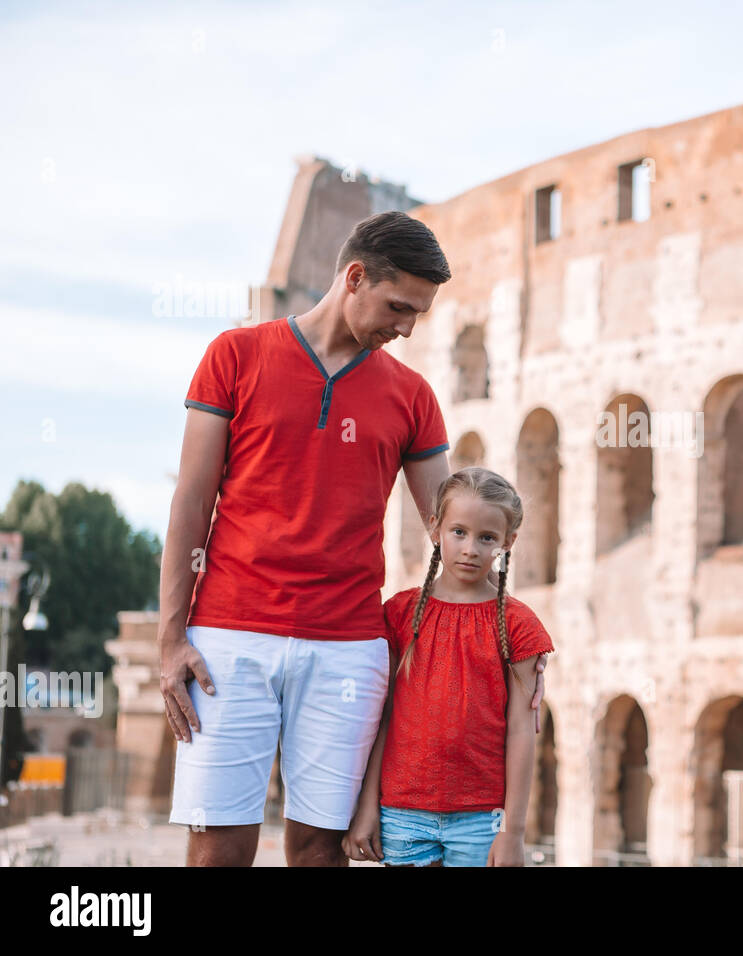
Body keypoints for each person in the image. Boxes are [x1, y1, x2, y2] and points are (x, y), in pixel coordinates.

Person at [158, 212, 547, 866]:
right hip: (230, 635)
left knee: (319, 847)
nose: (407, 327)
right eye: (399, 307)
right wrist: (171, 637)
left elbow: (451, 530)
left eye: (418, 314)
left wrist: (503, 641)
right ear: (354, 277)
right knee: (219, 844)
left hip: (347, 644)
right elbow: (191, 500)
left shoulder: (412, 395)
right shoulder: (236, 355)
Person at [342, 467, 553, 867]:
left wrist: (513, 832)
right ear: (435, 529)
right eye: (459, 532)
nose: (471, 548)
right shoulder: (400, 614)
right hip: (403, 814)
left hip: (482, 820)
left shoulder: (517, 624)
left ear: (508, 542)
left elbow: (522, 730)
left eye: (487, 537)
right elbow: (382, 718)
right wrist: (367, 806)